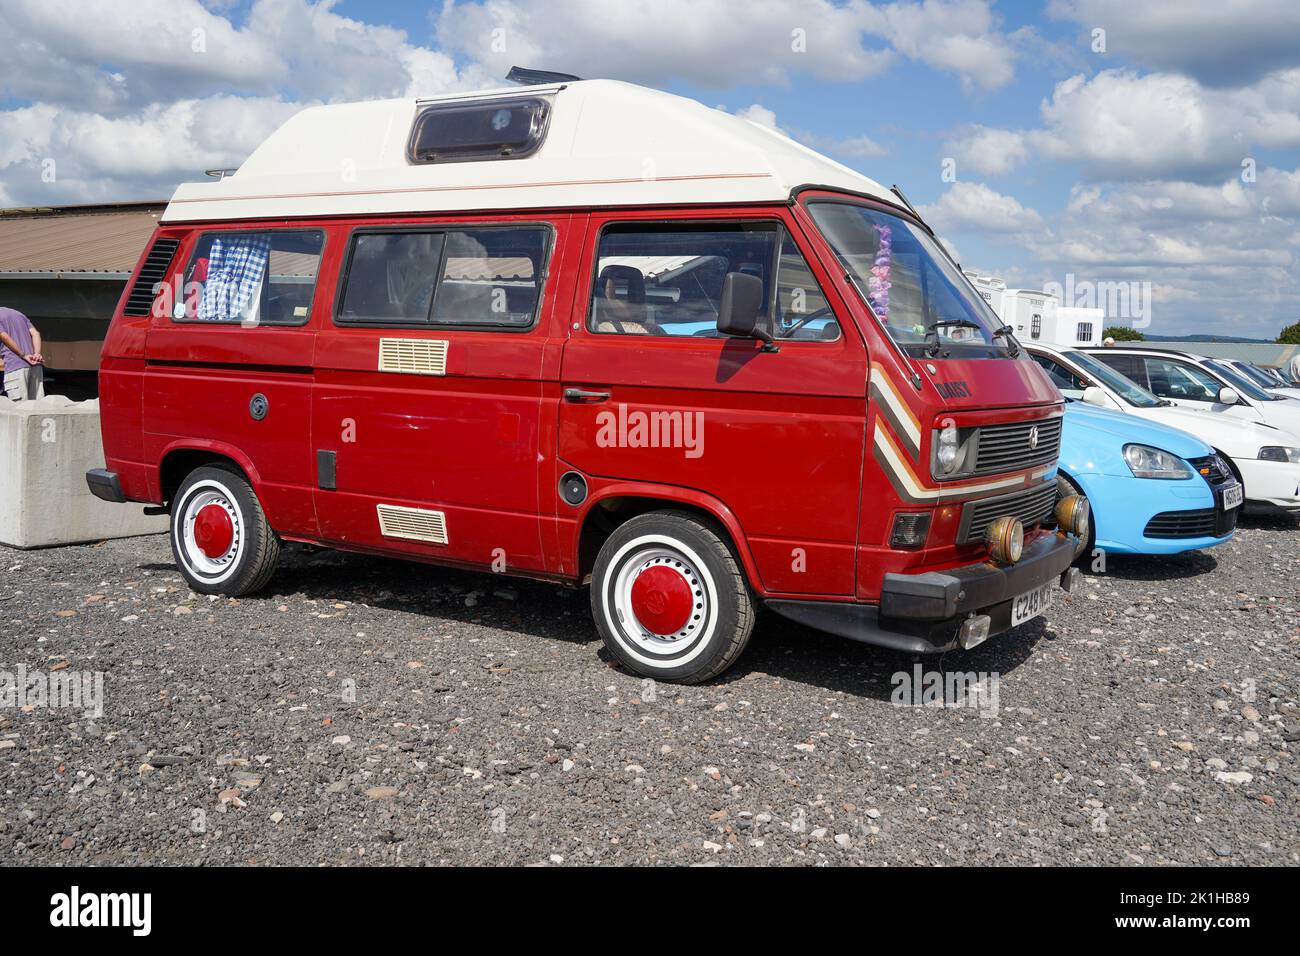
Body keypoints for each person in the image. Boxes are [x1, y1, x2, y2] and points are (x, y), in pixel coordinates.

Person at [0, 306, 45, 401]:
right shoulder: (19, 314)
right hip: (35, 365)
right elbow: (36, 334)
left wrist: (23, 355)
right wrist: (37, 354)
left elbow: (4, 336)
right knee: (37, 406)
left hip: (15, 365)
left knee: (19, 407)